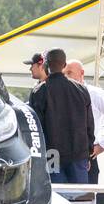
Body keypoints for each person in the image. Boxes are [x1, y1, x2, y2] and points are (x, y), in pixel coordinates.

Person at [29, 48, 94, 184]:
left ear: (46, 65)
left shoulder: (39, 91)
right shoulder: (81, 90)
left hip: (52, 155)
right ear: (64, 65)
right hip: (78, 153)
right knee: (79, 200)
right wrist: (88, 153)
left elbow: (35, 128)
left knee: (58, 198)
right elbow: (89, 125)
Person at [65, 60, 104, 204]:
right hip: (65, 154)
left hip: (88, 153)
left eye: (70, 73)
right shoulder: (62, 96)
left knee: (85, 201)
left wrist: (101, 144)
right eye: (64, 74)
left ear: (82, 73)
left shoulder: (95, 94)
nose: (67, 78)